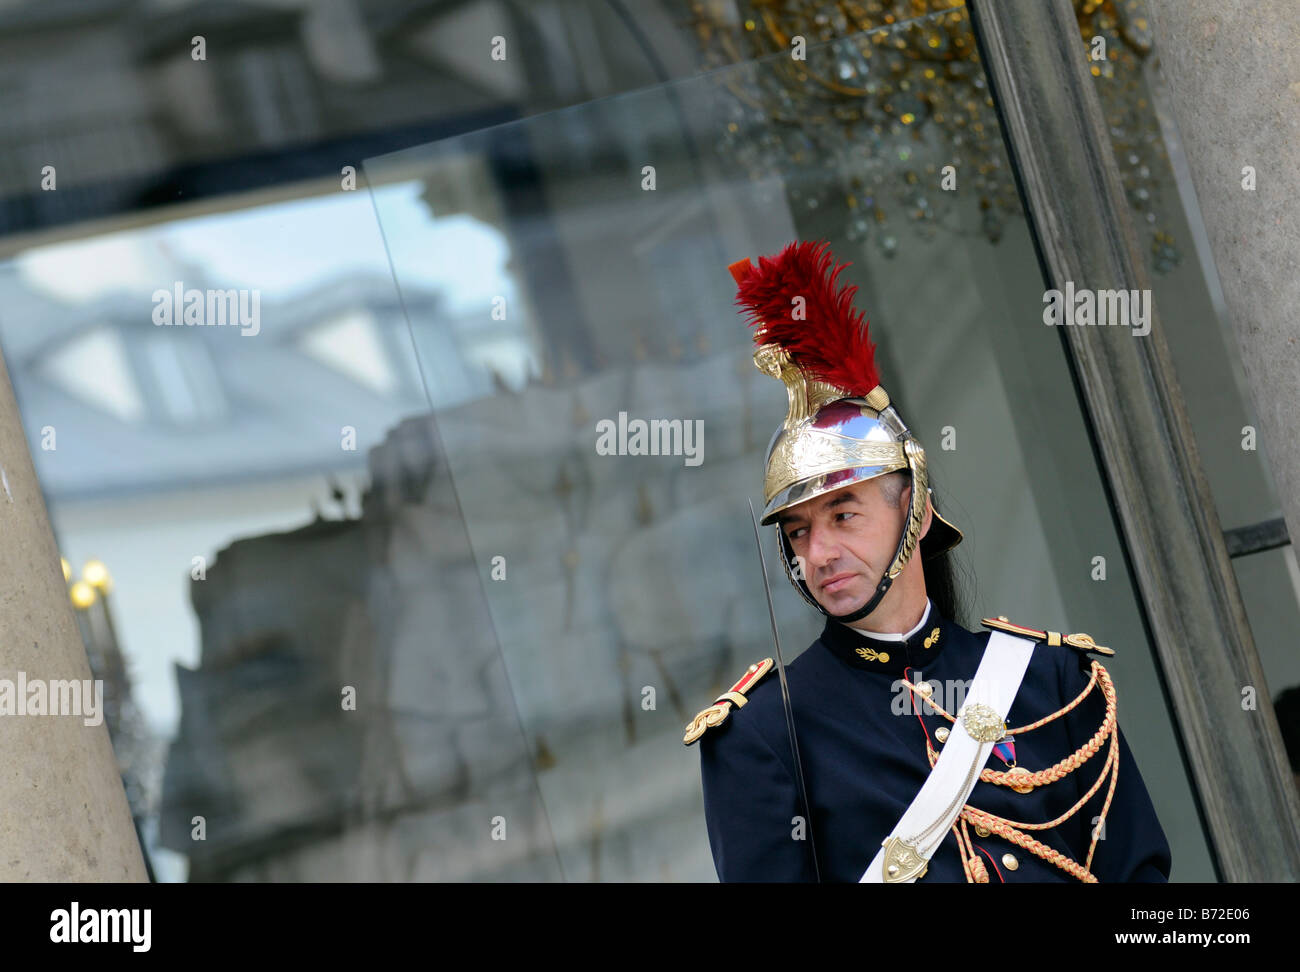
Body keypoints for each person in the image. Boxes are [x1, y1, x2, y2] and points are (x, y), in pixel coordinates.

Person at [684, 239, 1172, 883]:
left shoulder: (1051, 678)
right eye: (798, 532)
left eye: (843, 516)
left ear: (914, 510)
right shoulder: (764, 734)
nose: (819, 553)